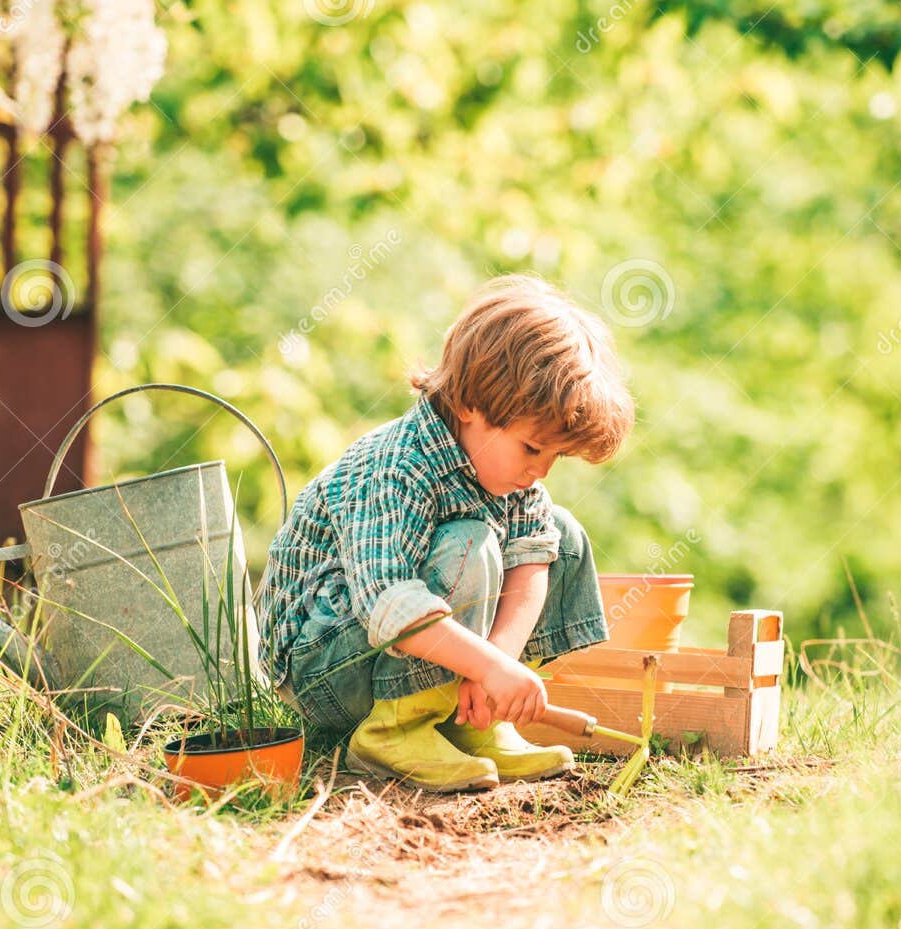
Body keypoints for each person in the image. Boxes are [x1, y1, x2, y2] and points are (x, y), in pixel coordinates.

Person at [254, 274, 636, 792]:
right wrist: (488, 666)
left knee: (560, 536)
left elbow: (531, 560)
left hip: (402, 652)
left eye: (555, 456)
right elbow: (388, 605)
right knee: (469, 544)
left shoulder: (509, 475)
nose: (541, 471)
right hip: (324, 668)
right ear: (469, 406)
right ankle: (394, 729)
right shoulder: (397, 468)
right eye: (531, 449)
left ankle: (471, 724)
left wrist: (494, 668)